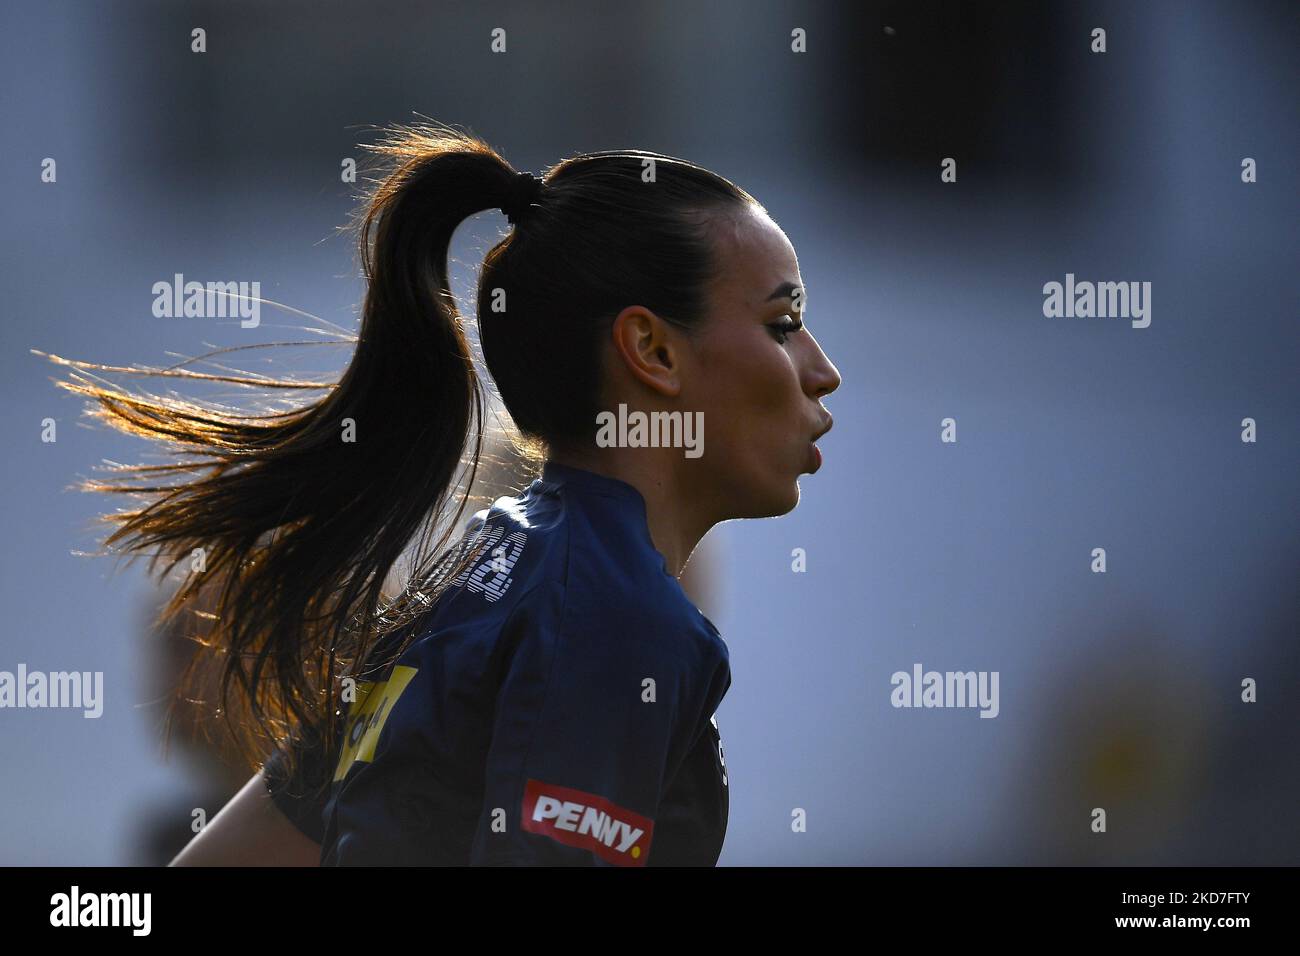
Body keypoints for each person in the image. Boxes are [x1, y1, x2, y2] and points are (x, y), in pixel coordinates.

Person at [70, 122, 840, 865]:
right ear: (653, 350)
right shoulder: (618, 620)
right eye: (784, 322)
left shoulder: (466, 580)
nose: (821, 369)